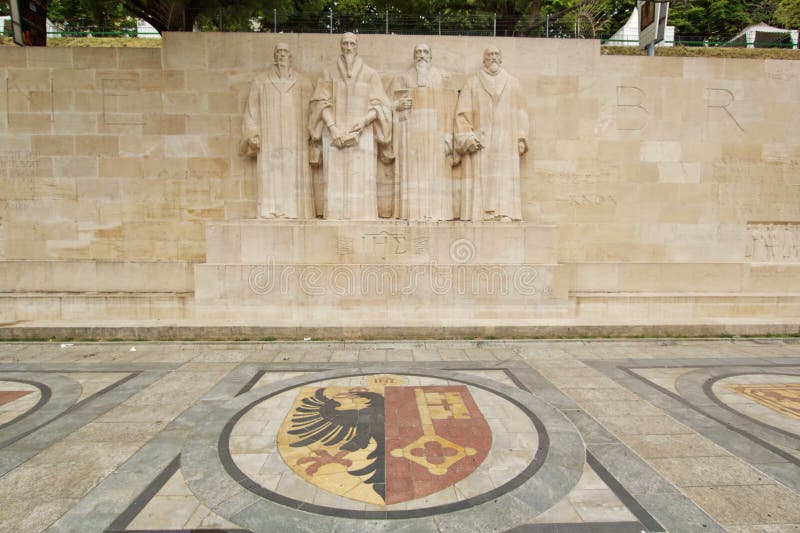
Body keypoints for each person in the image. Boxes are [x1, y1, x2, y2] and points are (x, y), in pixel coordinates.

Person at [309, 32, 393, 220]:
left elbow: (381, 105)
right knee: (335, 181)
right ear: (341, 46)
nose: (348, 47)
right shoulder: (328, 72)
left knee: (362, 180)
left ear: (357, 47)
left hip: (363, 135)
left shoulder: (370, 74)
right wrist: (333, 128)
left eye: (352, 44)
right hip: (334, 135)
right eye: (345, 43)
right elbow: (320, 102)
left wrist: (363, 123)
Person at [454, 46, 529, 221]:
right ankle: (481, 212)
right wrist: (467, 137)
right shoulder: (472, 83)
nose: (493, 58)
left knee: (504, 176)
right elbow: (462, 113)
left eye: (496, 55)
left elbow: (521, 113)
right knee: (481, 175)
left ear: (501, 59)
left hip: (506, 139)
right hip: (482, 139)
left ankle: (505, 212)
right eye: (489, 55)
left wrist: (521, 138)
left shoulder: (513, 83)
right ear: (484, 59)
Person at [242, 43, 315, 219]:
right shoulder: (261, 81)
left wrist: (312, 135)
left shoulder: (303, 82)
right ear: (274, 56)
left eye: (285, 52)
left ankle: (293, 209)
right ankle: (270, 209)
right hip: (270, 135)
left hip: (295, 137)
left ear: (291, 57)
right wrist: (253, 134)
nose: (282, 55)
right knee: (271, 170)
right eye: (279, 52)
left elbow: (313, 110)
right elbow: (252, 108)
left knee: (292, 171)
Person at [389, 44, 458, 221]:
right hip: (409, 137)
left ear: (431, 56)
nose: (422, 55)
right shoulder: (402, 78)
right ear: (414, 57)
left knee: (438, 175)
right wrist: (397, 106)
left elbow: (452, 108)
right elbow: (387, 104)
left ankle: (438, 213)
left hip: (437, 136)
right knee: (411, 176)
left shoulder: (443, 78)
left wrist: (450, 134)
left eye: (425, 52)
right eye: (418, 52)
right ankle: (410, 213)